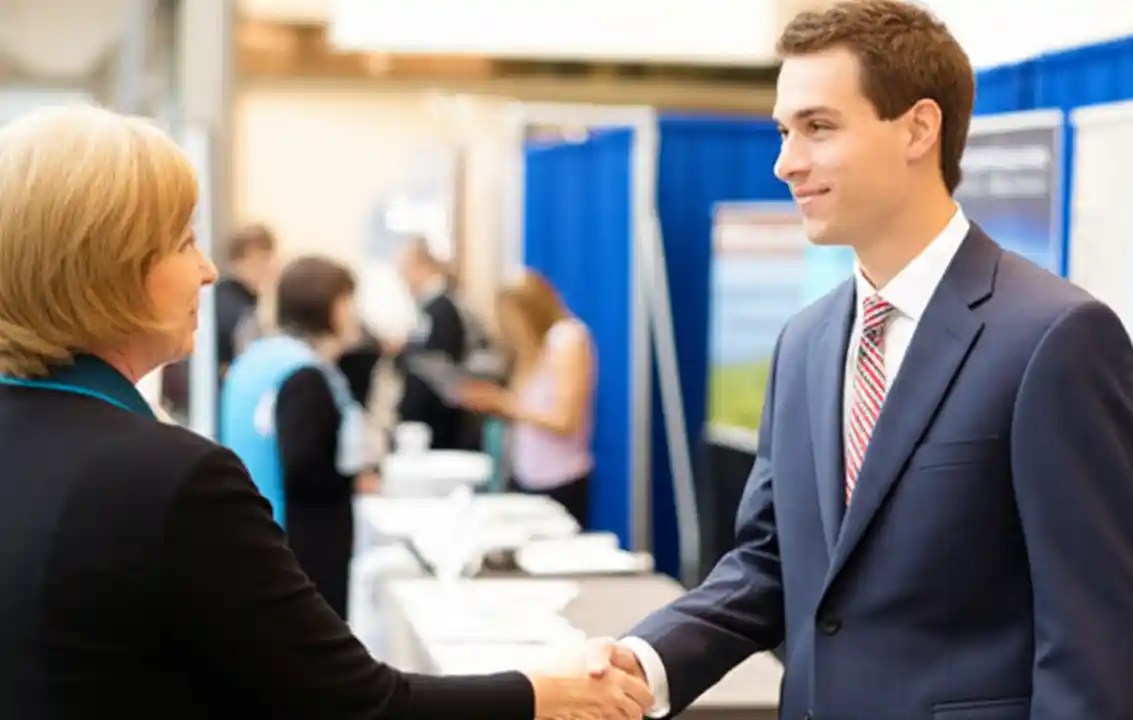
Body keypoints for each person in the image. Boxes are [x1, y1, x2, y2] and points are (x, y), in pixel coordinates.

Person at [602, 3, 1133, 718]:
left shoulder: (1056, 339)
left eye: (818, 126)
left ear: (918, 129)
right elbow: (769, 563)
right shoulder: (805, 341)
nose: (785, 162)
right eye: (784, 131)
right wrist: (641, 662)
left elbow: (1103, 652)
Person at [0, 104, 650, 719]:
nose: (207, 270)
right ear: (108, 266)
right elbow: (354, 705)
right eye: (183, 241)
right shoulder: (171, 479)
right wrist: (545, 692)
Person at [220, 256, 377, 620]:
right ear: (333, 307)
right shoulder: (303, 374)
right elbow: (303, 466)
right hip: (300, 548)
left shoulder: (258, 358)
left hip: (256, 538)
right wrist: (353, 481)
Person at [458, 271, 597, 528]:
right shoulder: (532, 349)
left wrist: (505, 404)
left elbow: (565, 420)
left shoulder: (566, 338)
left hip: (560, 479)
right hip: (527, 475)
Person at [395, 238, 490, 450]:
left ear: (419, 267)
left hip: (439, 418)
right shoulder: (433, 307)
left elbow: (439, 364)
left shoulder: (442, 309)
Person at [215, 222, 278, 378]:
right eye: (261, 259)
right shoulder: (235, 310)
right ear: (239, 261)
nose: (269, 268)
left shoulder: (243, 301)